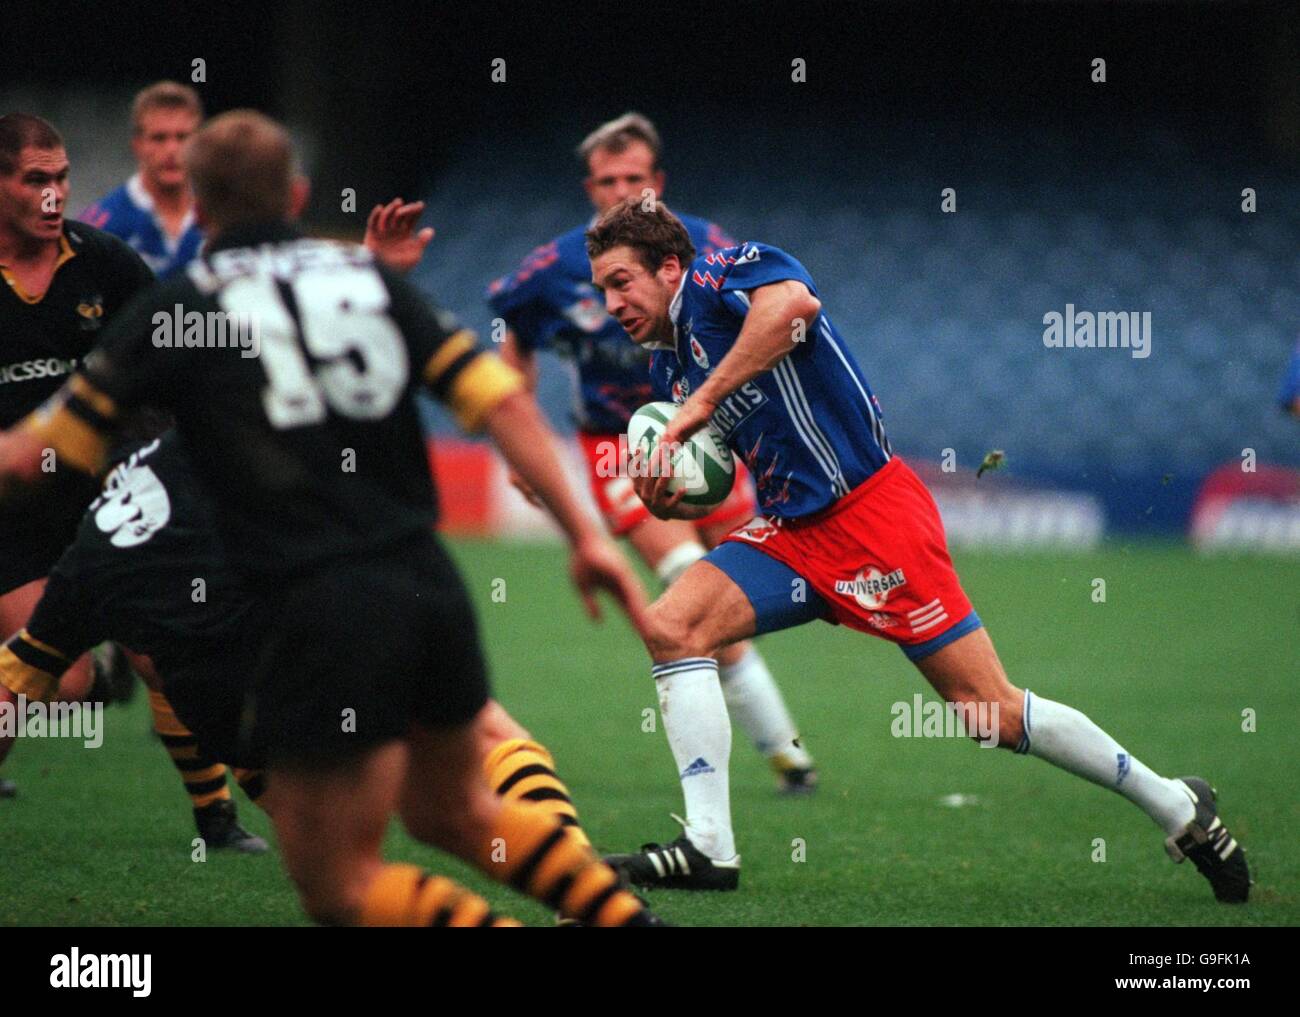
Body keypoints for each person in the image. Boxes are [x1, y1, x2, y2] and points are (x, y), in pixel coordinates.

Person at [0, 110, 664, 926]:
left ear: (197, 211)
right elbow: (497, 398)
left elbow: (33, 456)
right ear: (301, 195)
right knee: (459, 810)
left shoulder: (178, 312)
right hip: (428, 583)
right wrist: (586, 536)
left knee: (342, 883)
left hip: (316, 608)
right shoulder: (370, 284)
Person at [586, 197, 1250, 904]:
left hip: (873, 517)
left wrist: (694, 410)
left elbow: (793, 310)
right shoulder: (670, 373)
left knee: (987, 712)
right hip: (792, 533)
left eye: (621, 281)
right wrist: (671, 499)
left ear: (668, 266)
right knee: (672, 624)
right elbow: (722, 477)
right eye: (601, 288)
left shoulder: (725, 272)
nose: (611, 302)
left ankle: (1179, 807)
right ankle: (707, 846)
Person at [488, 114, 816, 837]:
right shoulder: (554, 267)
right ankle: (788, 753)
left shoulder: (705, 245)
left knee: (741, 579)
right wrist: (518, 428)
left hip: (708, 433)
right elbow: (513, 333)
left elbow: (764, 319)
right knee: (690, 580)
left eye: (633, 179)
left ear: (656, 184)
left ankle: (786, 752)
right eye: (606, 182)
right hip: (619, 444)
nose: (620, 192)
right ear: (589, 188)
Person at [0, 112, 153, 798]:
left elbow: (168, 351)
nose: (54, 195)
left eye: (60, 178)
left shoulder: (104, 264)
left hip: (74, 510)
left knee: (68, 683)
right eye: (36, 181)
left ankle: (218, 816)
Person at [80, 81, 204, 279]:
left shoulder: (222, 218)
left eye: (182, 137)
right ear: (137, 145)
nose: (172, 150)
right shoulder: (101, 227)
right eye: (159, 138)